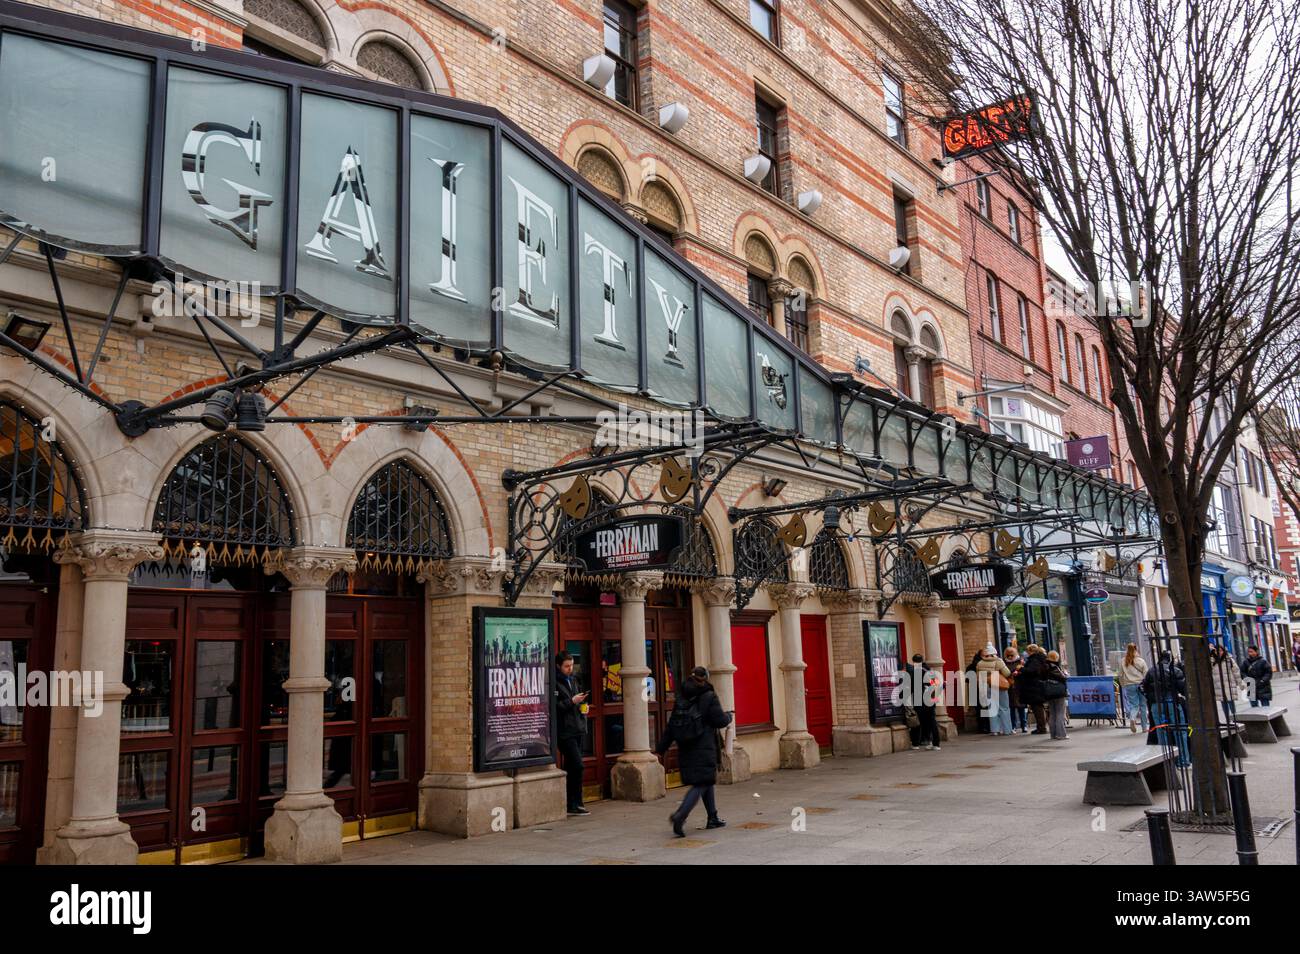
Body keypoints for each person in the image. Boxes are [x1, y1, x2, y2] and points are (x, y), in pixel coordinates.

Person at [656, 666, 733, 837]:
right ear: (705, 678)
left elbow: (671, 726)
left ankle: (712, 817)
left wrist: (661, 748)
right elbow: (719, 720)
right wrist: (729, 716)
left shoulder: (681, 696)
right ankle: (680, 815)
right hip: (704, 746)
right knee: (700, 784)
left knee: (706, 780)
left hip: (686, 746)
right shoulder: (709, 695)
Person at [554, 651, 590, 816]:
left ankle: (573, 803)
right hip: (564, 731)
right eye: (566, 666)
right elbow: (555, 707)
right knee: (577, 765)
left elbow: (577, 700)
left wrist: (584, 706)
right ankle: (576, 802)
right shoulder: (554, 682)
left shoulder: (574, 680)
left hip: (577, 727)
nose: (570, 669)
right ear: (558, 666)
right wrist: (572, 701)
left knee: (572, 766)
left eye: (571, 665)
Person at [1141, 650, 1190, 767]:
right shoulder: (1175, 670)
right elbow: (1183, 688)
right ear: (1169, 658)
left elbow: (1143, 687)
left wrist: (1150, 697)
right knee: (1180, 731)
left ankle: (1167, 761)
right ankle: (1183, 761)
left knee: (1161, 732)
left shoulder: (1151, 671)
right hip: (1172, 702)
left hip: (1156, 704)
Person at [904, 653, 942, 750]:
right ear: (922, 660)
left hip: (919, 700)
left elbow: (911, 688)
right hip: (930, 700)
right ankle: (935, 744)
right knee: (932, 721)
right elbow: (937, 685)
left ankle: (918, 743)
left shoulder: (915, 672)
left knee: (919, 721)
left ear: (914, 661)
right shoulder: (928, 670)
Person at [976, 644, 1013, 735]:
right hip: (999, 685)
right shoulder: (998, 661)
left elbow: (978, 677)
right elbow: (1007, 673)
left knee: (992, 708)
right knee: (1004, 708)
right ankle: (1007, 729)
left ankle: (995, 730)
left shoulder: (979, 663)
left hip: (987, 686)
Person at [1017, 644, 1050, 735]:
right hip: (1037, 687)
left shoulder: (1034, 660)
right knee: (1039, 708)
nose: (1026, 653)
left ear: (1031, 651)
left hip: (1034, 688)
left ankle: (1041, 728)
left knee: (1037, 708)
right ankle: (1041, 727)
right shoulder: (1040, 659)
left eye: (1027, 651)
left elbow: (1031, 671)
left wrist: (1022, 669)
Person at [1117, 643, 1149, 735]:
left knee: (1134, 705)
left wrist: (1123, 685)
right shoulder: (1141, 661)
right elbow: (1146, 674)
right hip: (1141, 685)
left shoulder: (1123, 661)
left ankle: (1132, 719)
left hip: (1129, 685)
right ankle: (1144, 728)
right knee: (1143, 706)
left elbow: (1120, 675)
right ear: (1136, 649)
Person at [1210, 644, 1242, 723]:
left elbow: (1236, 671)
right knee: (1223, 703)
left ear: (1223, 651)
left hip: (1229, 684)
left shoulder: (1229, 659)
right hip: (1218, 686)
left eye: (1220, 650)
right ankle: (1228, 720)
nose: (1219, 652)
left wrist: (1240, 683)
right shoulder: (1212, 660)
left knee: (1231, 702)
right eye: (1216, 651)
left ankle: (1235, 718)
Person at [1044, 650, 1070, 740]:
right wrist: (1065, 674)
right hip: (1058, 692)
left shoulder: (1045, 666)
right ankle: (1061, 734)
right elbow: (1063, 678)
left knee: (1052, 713)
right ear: (1056, 657)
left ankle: (1053, 734)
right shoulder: (1054, 667)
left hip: (1049, 692)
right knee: (1060, 713)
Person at [1003, 646, 1028, 733]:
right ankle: (1013, 726)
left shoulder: (1020, 662)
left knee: (1021, 707)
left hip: (1019, 686)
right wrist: (1010, 675)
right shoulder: (1004, 662)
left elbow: (1025, 672)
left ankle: (1024, 725)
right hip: (1009, 687)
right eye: (1008, 655)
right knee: (1011, 708)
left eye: (1011, 655)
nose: (1010, 657)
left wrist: (1019, 673)